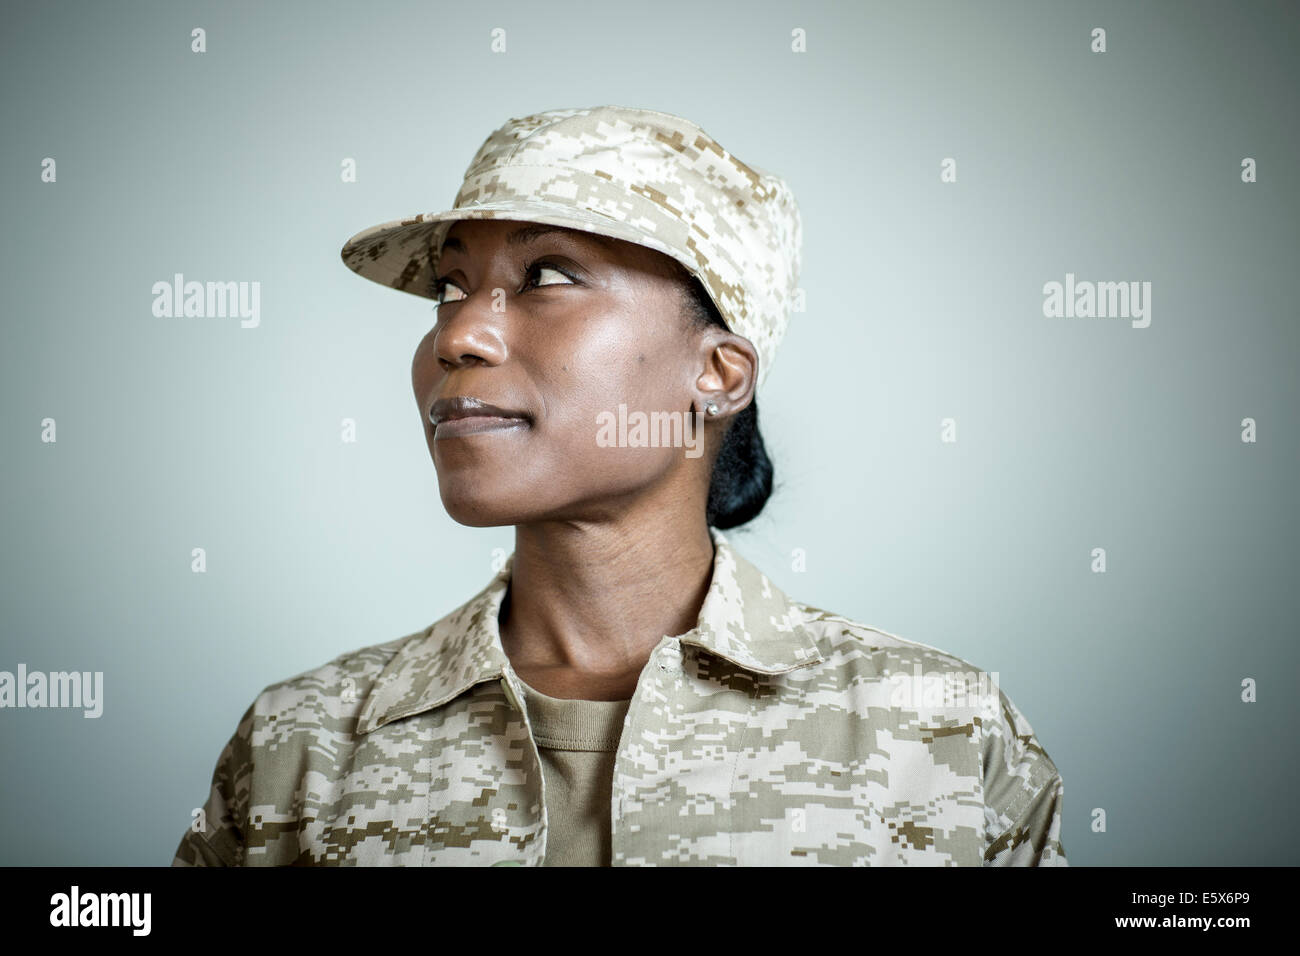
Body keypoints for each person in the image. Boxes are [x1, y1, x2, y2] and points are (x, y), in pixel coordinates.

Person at [173, 105, 1067, 867]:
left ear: (716, 373)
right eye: (451, 287)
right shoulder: (301, 749)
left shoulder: (942, 738)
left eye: (547, 276)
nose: (459, 338)